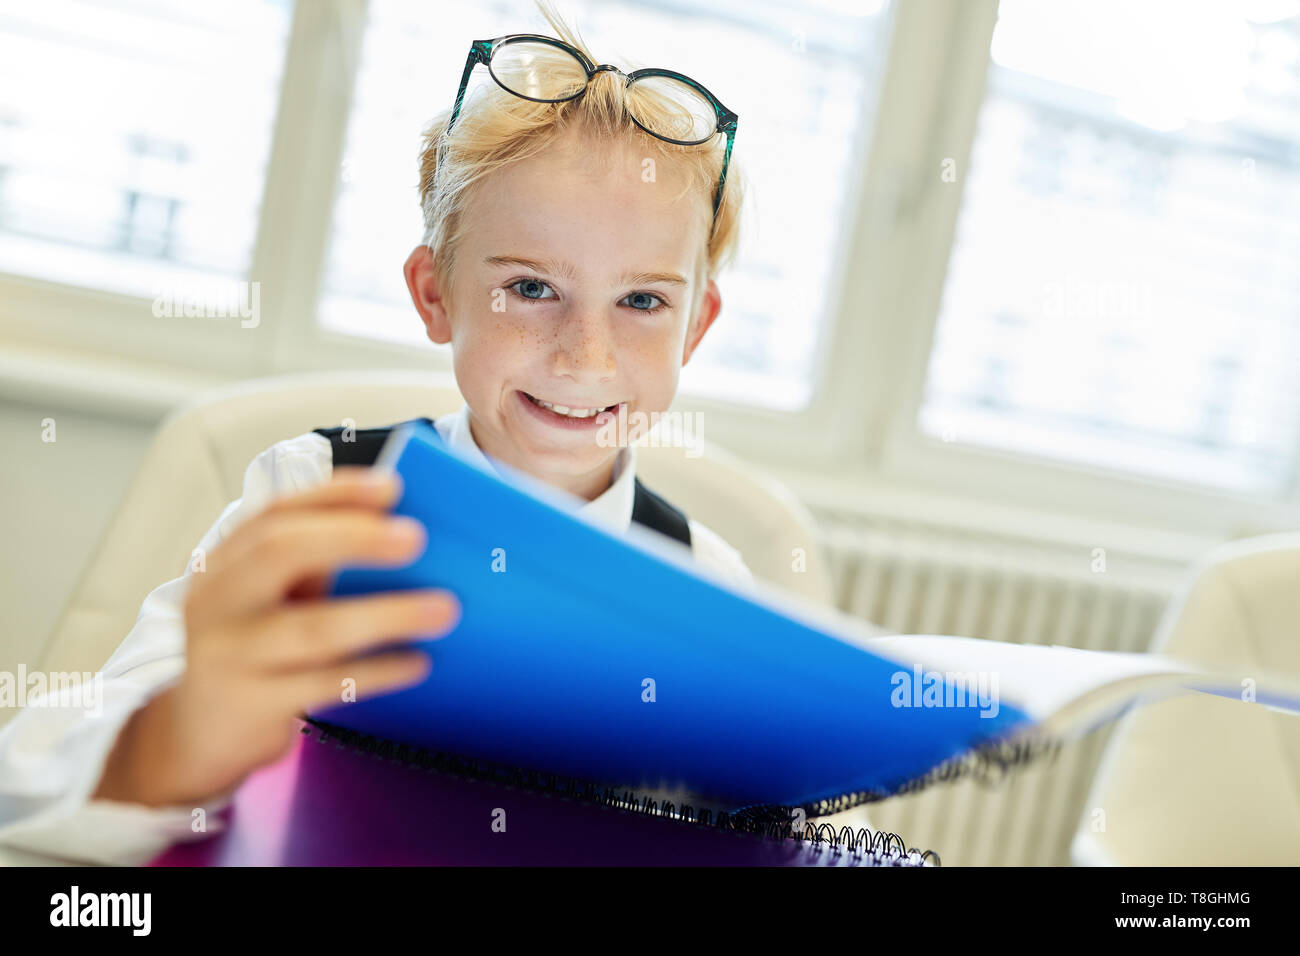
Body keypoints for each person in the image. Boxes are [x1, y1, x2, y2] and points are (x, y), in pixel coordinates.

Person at [0, 4, 761, 865]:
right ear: (436, 295)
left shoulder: (713, 590)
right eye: (532, 287)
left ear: (695, 327)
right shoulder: (315, 494)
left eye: (642, 301)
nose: (585, 357)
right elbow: (28, 781)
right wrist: (185, 733)